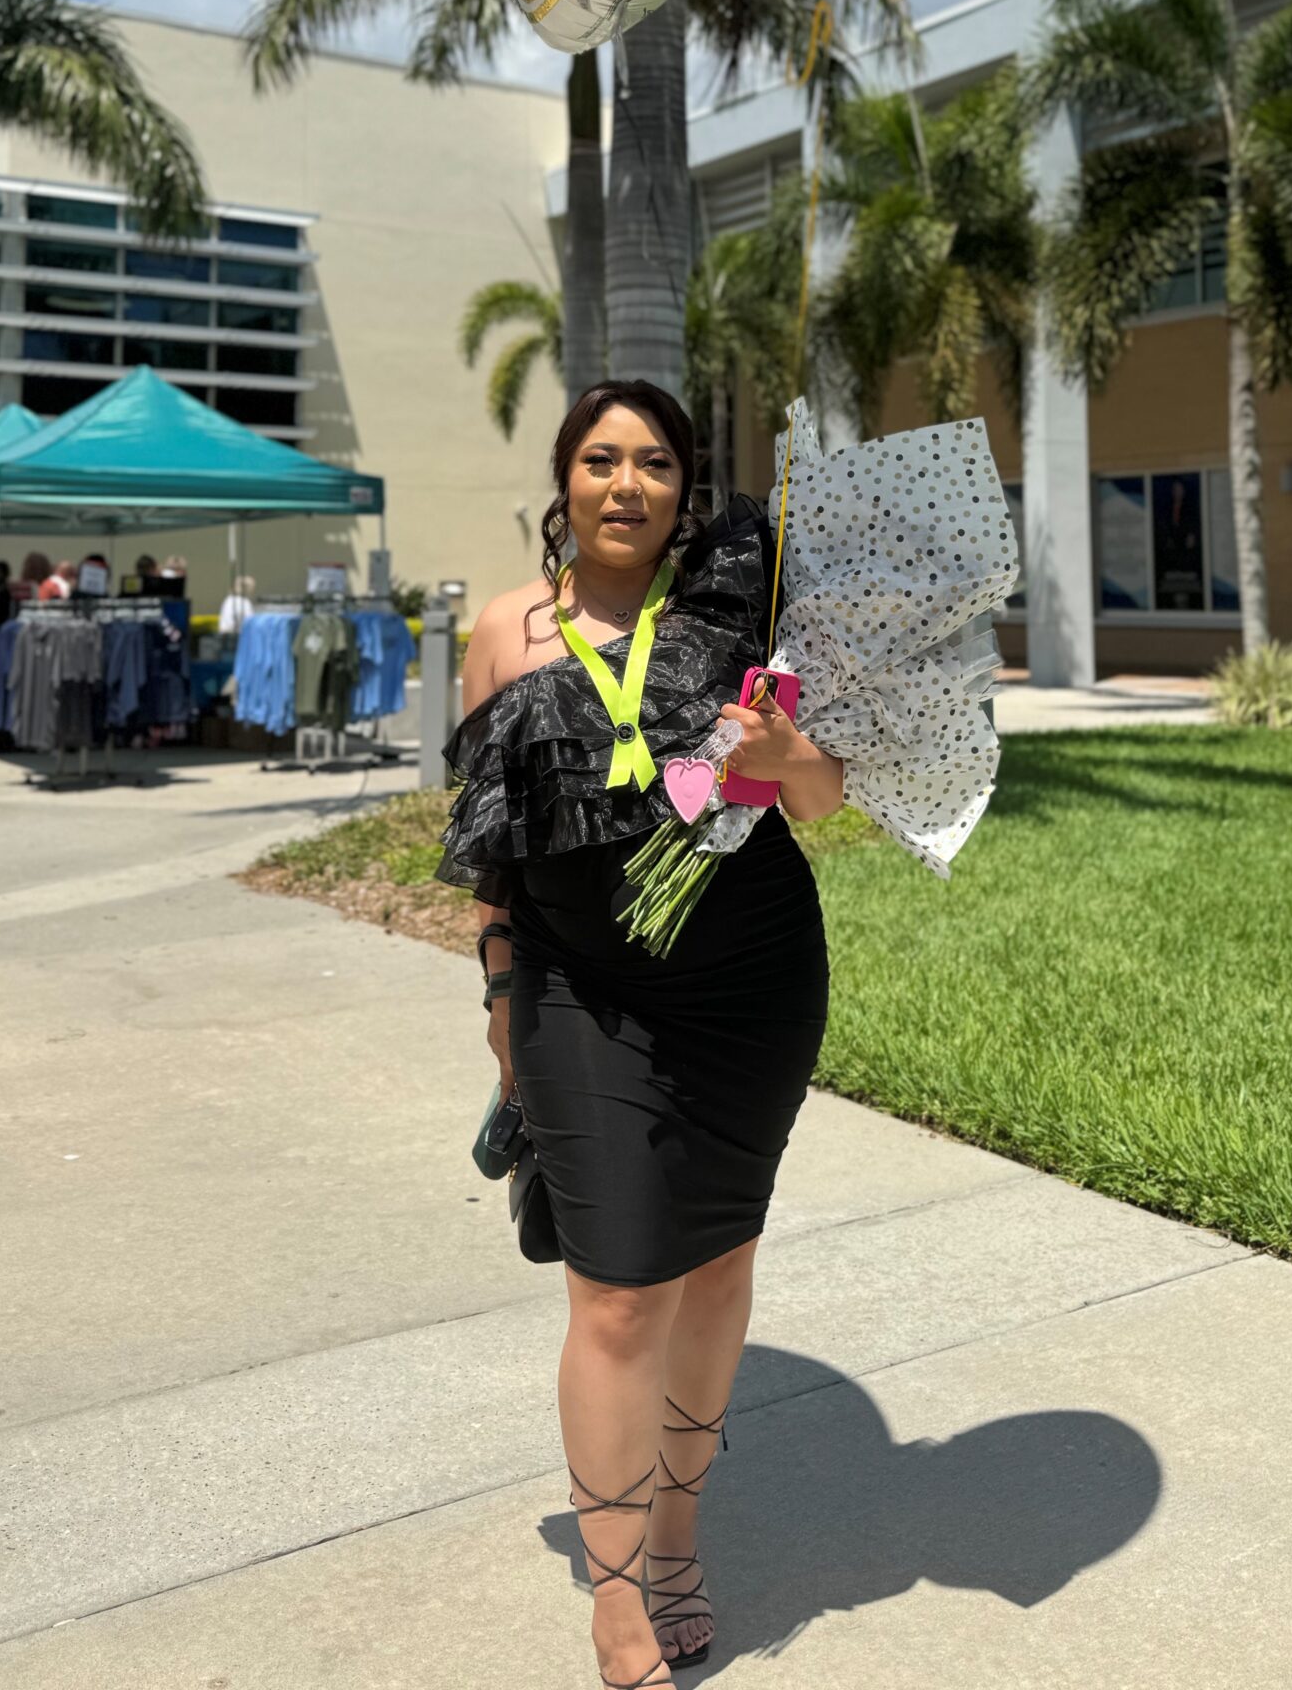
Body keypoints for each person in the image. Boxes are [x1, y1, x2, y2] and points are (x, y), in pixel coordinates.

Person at [443, 383, 841, 1688]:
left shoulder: (736, 620)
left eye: (654, 463)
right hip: (578, 992)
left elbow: (822, 803)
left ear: (683, 492)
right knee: (618, 1292)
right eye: (601, 460)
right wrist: (507, 1014)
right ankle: (618, 1595)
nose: (627, 483)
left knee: (717, 1267)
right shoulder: (503, 629)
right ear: (565, 482)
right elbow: (493, 850)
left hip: (748, 985)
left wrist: (782, 748)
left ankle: (676, 1537)